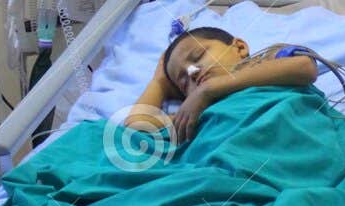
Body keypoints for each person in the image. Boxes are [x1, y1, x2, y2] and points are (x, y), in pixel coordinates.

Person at [127, 25, 318, 143]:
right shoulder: (191, 115)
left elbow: (305, 67)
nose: (192, 72)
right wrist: (159, 82)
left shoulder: (269, 64)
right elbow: (136, 127)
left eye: (198, 56)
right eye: (183, 80)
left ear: (240, 47)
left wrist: (209, 89)